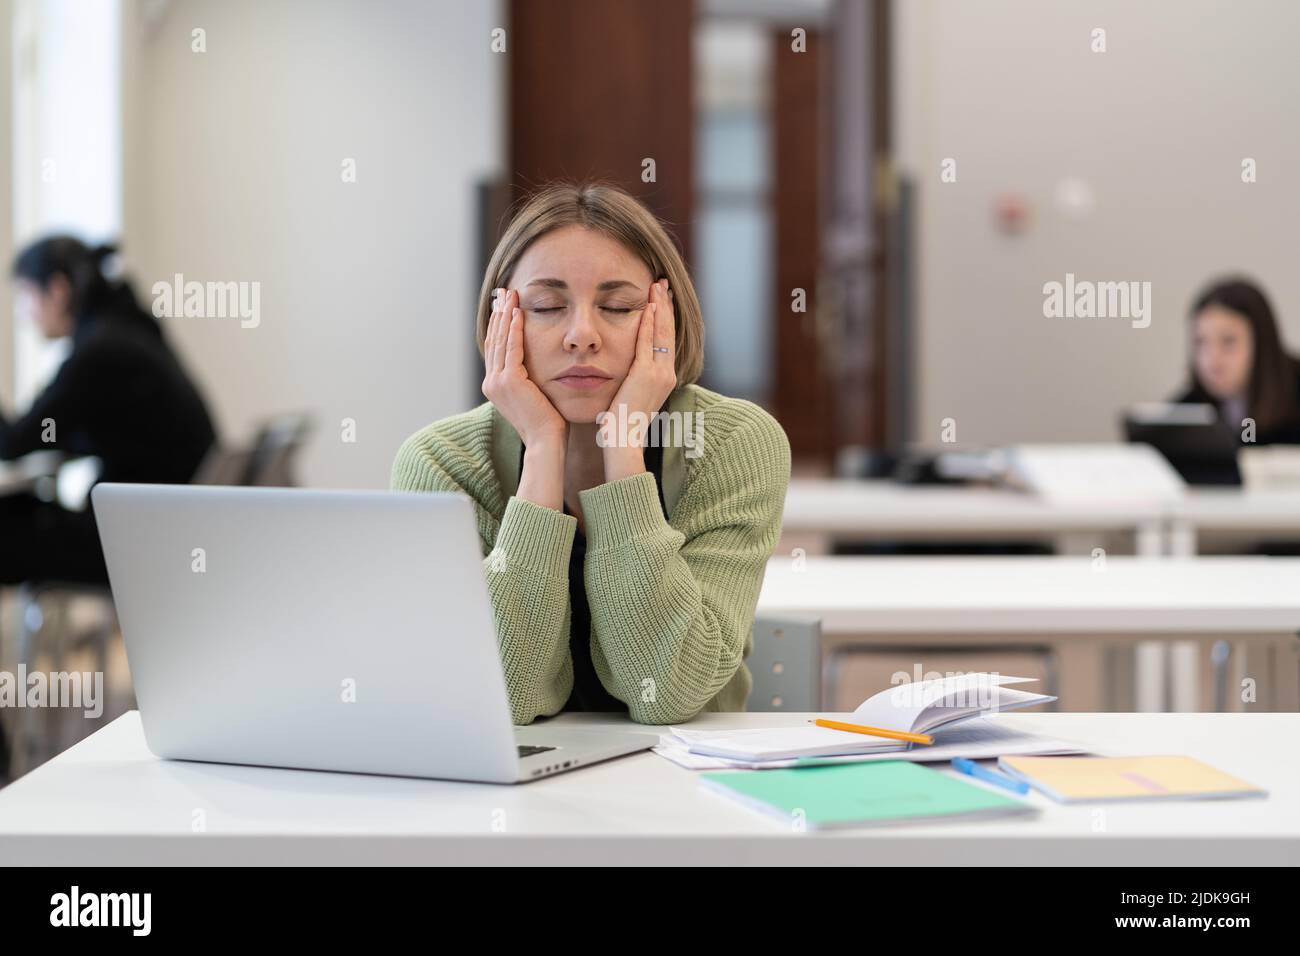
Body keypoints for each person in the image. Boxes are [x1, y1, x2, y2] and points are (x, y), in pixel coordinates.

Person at [391, 182, 791, 725]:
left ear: (666, 321)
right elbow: (506, 695)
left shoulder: (729, 443)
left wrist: (623, 448)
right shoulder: (440, 463)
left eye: (618, 306)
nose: (582, 334)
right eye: (548, 306)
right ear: (501, 323)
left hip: (687, 794)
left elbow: (666, 691)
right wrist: (543, 450)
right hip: (509, 794)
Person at [1, 236, 218, 585]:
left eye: (26, 295)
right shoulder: (127, 329)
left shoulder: (98, 350)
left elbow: (13, 443)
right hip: (175, 524)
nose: (22, 313)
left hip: (138, 538)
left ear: (57, 291)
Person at [1174, 277, 1300, 445]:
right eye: (1201, 343)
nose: (1212, 360)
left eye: (1228, 341)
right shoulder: (1193, 406)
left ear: (1261, 342)